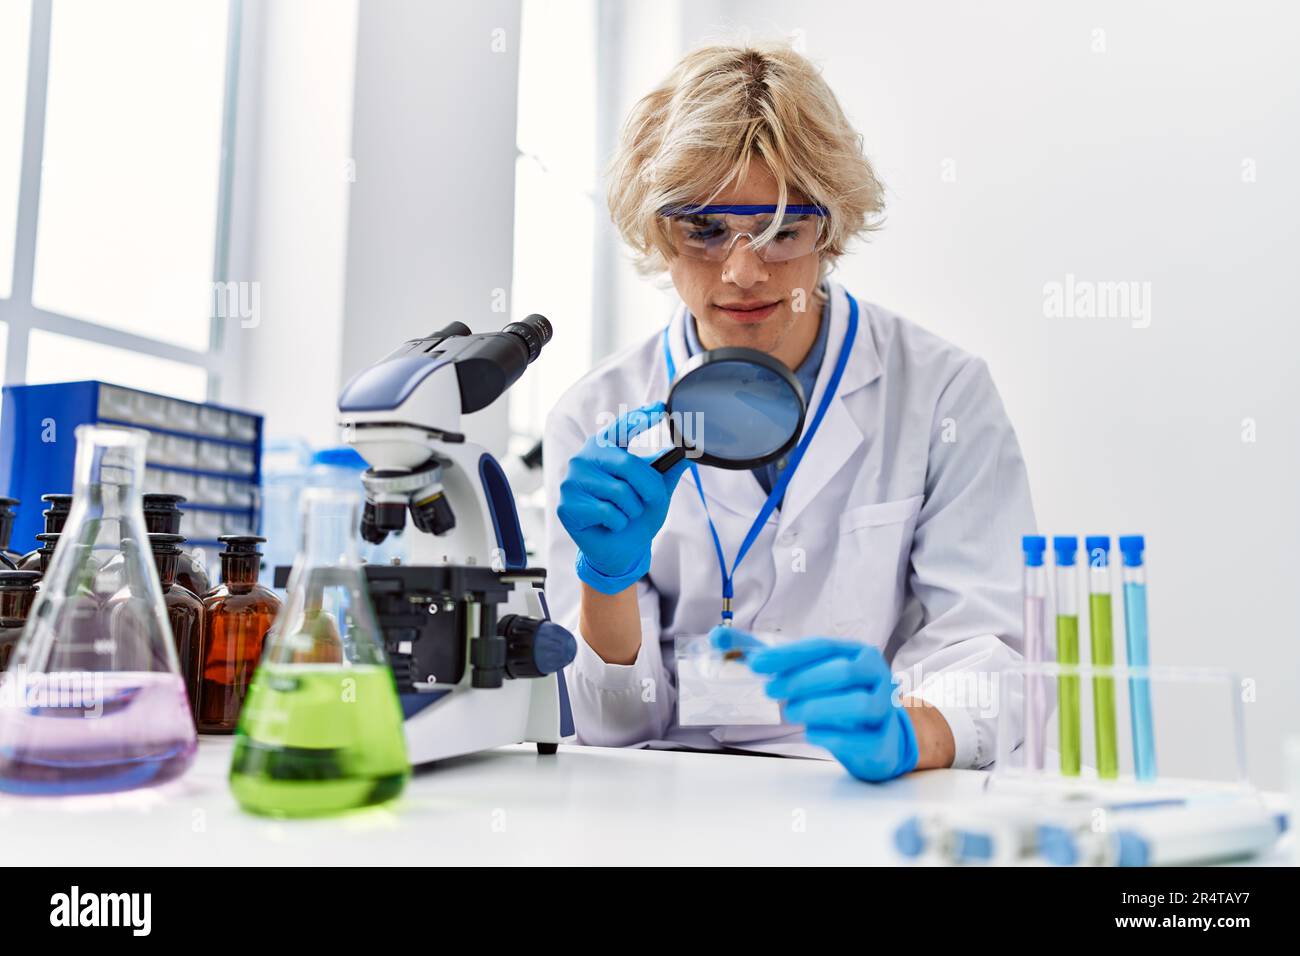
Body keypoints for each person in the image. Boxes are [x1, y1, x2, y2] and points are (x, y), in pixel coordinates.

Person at [543, 42, 1035, 781]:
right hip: (671, 799)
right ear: (656, 233)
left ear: (830, 231)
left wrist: (907, 734)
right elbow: (613, 726)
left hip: (873, 790)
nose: (742, 271)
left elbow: (988, 653)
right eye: (703, 230)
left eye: (779, 228)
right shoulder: (596, 414)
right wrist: (604, 583)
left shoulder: (941, 393)